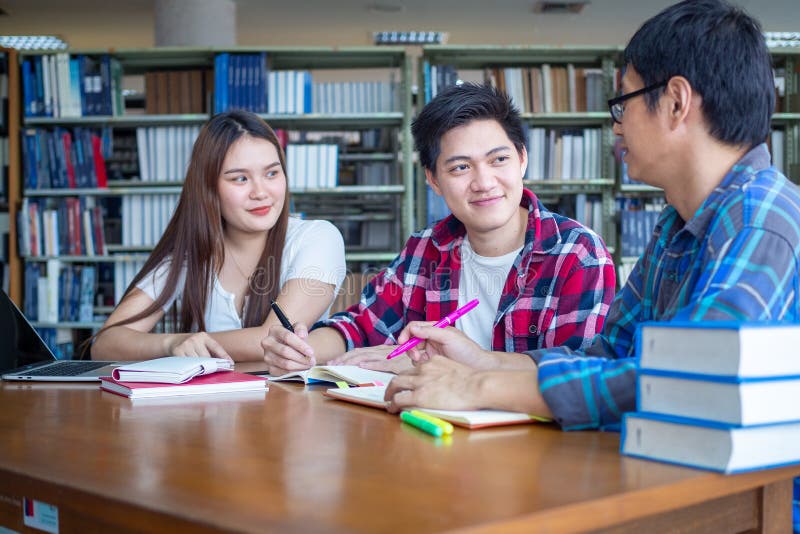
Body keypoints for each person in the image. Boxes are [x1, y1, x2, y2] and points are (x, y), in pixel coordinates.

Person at [385, 0, 800, 426]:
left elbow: (697, 378)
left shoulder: (759, 219)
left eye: (624, 104)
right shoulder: (676, 223)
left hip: (757, 492)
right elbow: (608, 355)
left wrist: (476, 387)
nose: (617, 127)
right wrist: (481, 363)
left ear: (676, 102)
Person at [262, 83, 616, 376]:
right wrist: (304, 351)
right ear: (433, 179)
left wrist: (435, 365)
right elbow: (360, 327)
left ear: (522, 158)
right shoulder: (426, 248)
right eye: (461, 167)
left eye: (499, 160)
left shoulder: (577, 253)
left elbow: (579, 369)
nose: (484, 182)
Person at [92, 110, 346, 362]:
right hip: (211, 402)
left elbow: (271, 341)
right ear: (208, 188)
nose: (260, 192)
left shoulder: (318, 238)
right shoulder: (190, 255)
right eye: (240, 178)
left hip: (291, 400)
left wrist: (195, 342)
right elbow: (105, 343)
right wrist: (172, 342)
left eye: (271, 173)